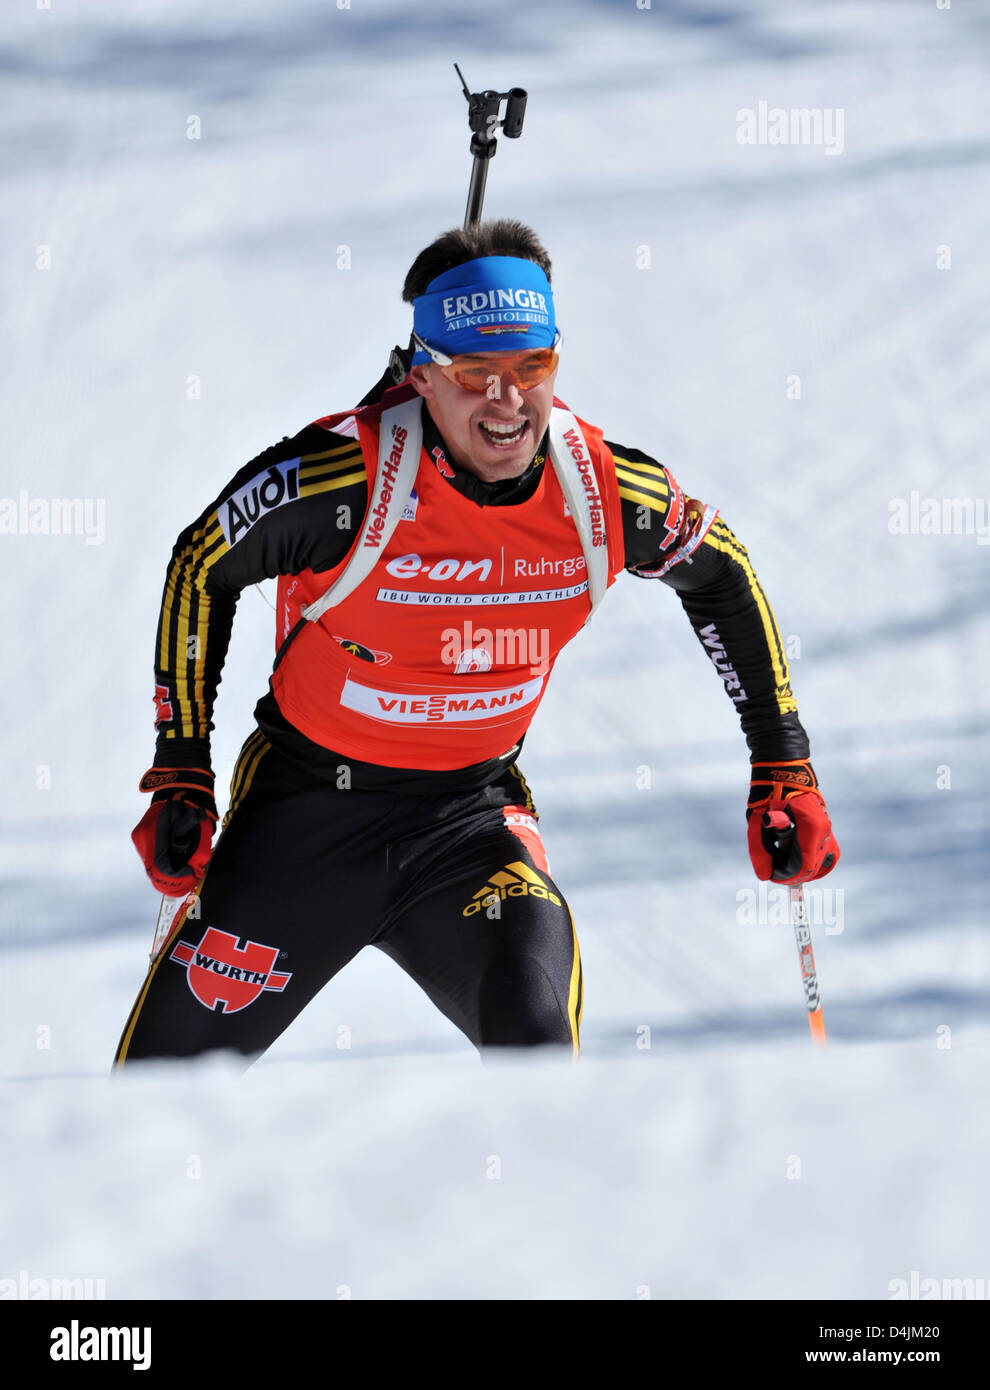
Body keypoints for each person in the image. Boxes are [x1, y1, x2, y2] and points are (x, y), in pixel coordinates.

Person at [115, 219, 839, 1068]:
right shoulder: (345, 478)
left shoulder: (602, 490)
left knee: (537, 1056)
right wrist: (182, 766)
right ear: (422, 375)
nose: (507, 401)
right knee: (154, 1096)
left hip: (469, 825)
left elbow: (723, 575)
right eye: (474, 375)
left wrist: (782, 764)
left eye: (531, 369)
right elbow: (204, 561)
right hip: (305, 817)